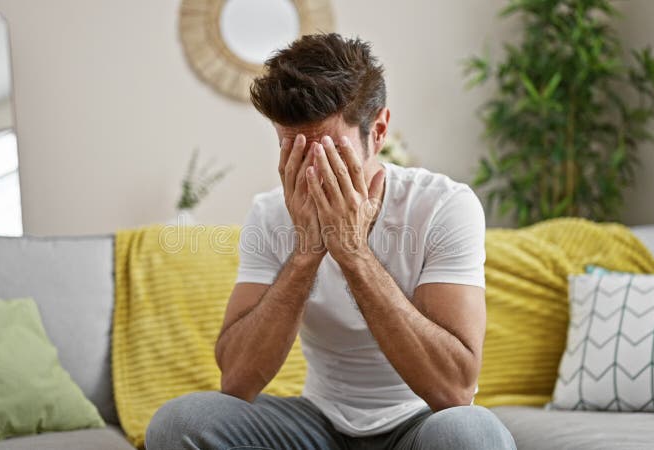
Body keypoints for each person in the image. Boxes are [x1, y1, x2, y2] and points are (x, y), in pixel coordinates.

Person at [146, 33, 516, 450]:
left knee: (470, 434)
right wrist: (306, 253)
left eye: (330, 152)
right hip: (318, 425)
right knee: (179, 423)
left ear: (378, 132)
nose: (312, 171)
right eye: (295, 151)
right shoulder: (270, 213)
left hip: (418, 424)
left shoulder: (444, 206)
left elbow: (455, 391)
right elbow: (236, 380)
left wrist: (354, 254)